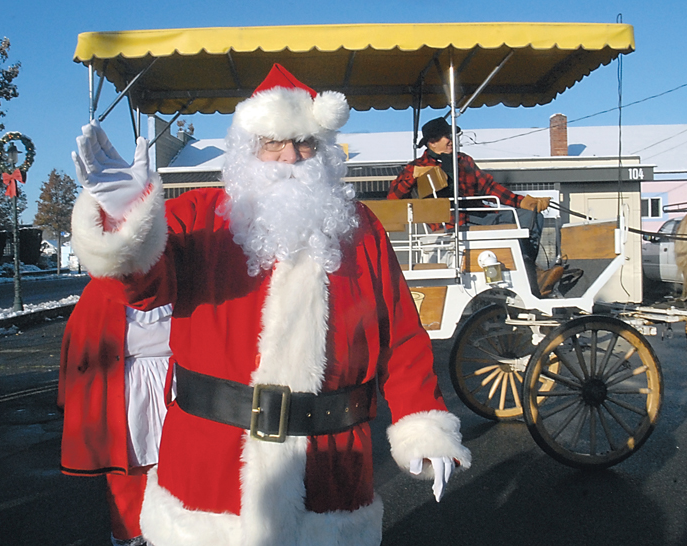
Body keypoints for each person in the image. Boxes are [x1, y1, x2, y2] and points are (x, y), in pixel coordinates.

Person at [69, 63, 471, 546]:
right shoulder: (198, 215)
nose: (290, 156)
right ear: (246, 151)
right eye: (273, 143)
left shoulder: (359, 227)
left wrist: (422, 424)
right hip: (210, 476)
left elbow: (401, 335)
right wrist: (125, 218)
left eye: (305, 142)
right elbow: (140, 286)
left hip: (330, 472)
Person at [388, 117, 562, 295]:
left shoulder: (464, 160)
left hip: (481, 216)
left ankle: (529, 270)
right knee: (518, 220)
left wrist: (522, 201)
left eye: (451, 135)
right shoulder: (416, 167)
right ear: (432, 142)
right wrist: (412, 178)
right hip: (450, 224)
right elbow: (393, 198)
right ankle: (531, 277)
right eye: (446, 136)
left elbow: (489, 187)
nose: (451, 139)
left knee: (531, 216)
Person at [58, 276, 172, 546]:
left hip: (174, 385)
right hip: (124, 390)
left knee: (177, 468)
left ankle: (173, 531)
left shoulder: (179, 282)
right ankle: (131, 533)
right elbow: (77, 346)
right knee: (128, 469)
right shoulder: (100, 290)